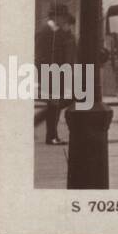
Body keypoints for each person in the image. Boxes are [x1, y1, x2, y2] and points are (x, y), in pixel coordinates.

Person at [43, 11, 76, 145]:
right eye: (64, 18)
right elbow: (42, 56)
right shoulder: (47, 32)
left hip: (58, 73)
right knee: (55, 105)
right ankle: (51, 136)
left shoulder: (58, 32)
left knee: (56, 105)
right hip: (52, 73)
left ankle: (52, 135)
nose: (64, 22)